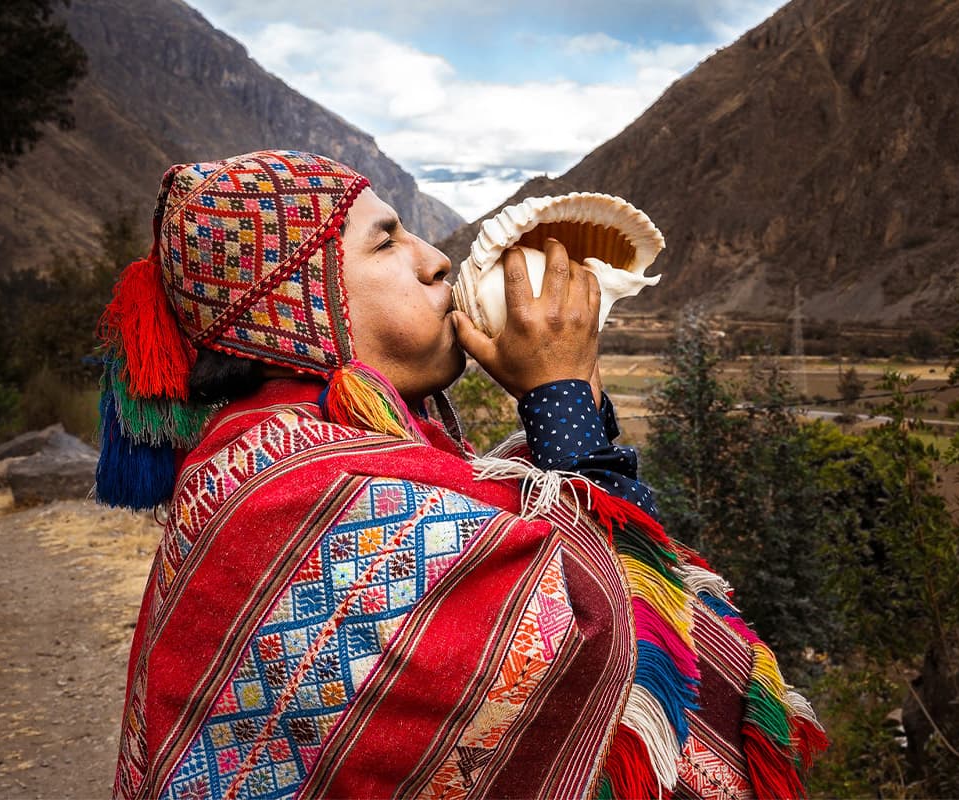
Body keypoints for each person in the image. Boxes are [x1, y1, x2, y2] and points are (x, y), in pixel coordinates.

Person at [97, 150, 824, 799]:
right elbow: (611, 644)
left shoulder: (288, 461)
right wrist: (562, 404)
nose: (436, 260)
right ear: (302, 306)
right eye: (387, 240)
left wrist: (575, 400)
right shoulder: (301, 497)